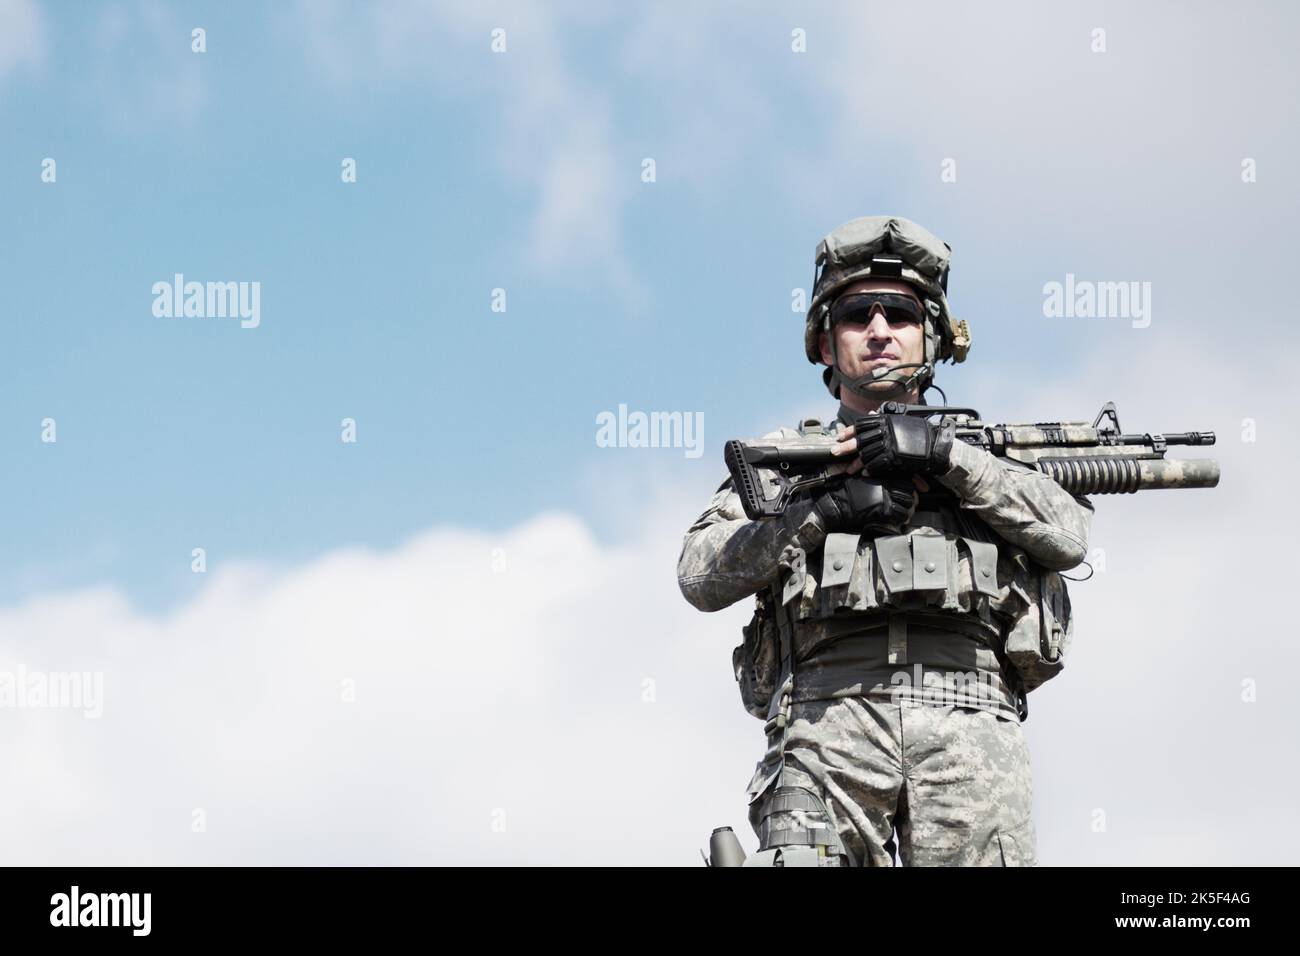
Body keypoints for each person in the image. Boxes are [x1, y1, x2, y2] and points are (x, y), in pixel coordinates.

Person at [677, 216, 1093, 866]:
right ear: (822, 342)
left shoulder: (989, 455)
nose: (878, 331)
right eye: (855, 315)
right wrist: (822, 509)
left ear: (933, 338)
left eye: (898, 314)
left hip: (971, 718)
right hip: (826, 714)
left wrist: (949, 459)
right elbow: (700, 573)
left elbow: (1068, 534)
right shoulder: (794, 461)